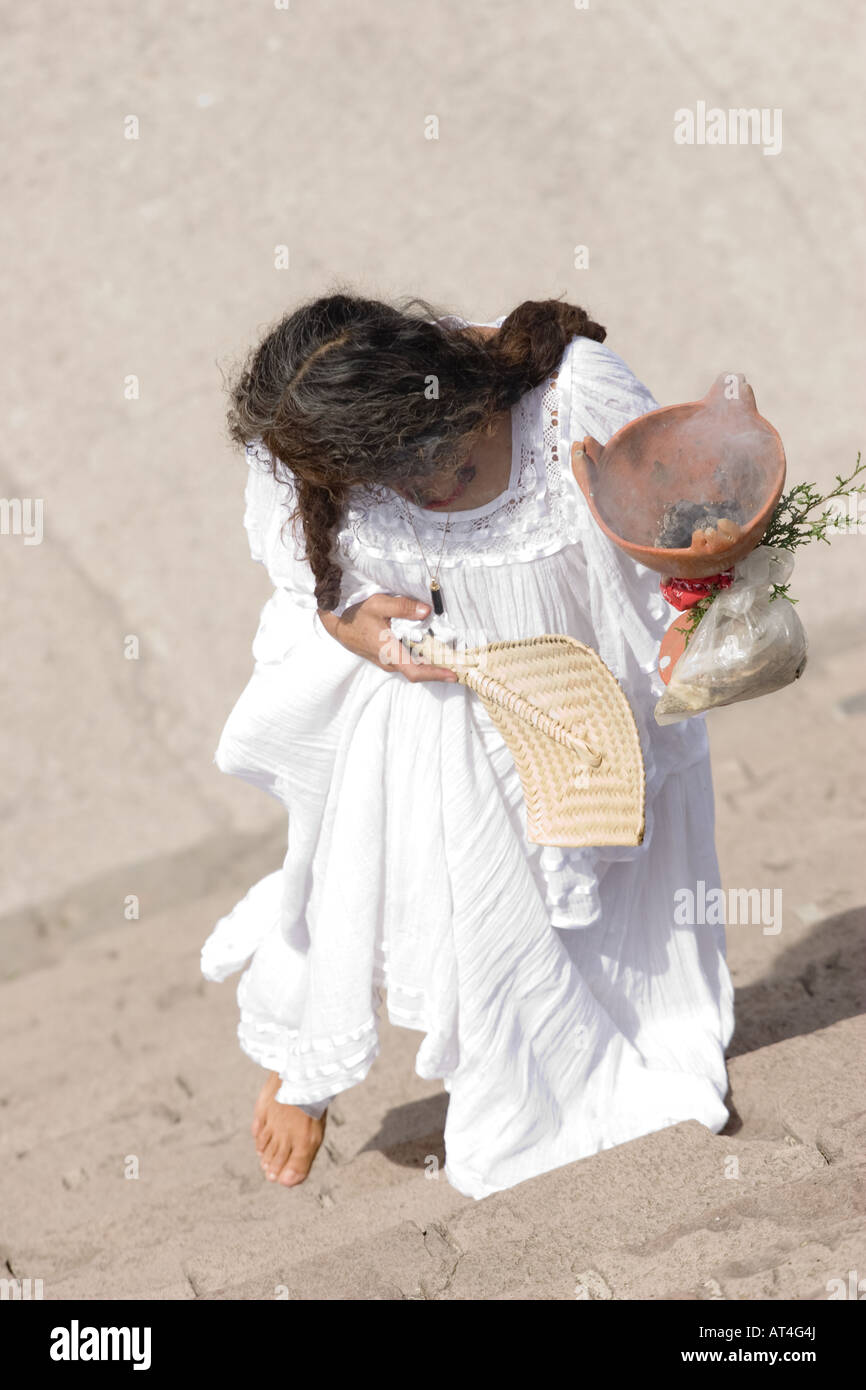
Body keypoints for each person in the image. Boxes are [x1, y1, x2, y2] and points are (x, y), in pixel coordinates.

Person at [200, 291, 734, 1201]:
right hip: (439, 711)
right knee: (397, 879)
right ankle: (311, 1061)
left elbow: (681, 534)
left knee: (628, 955)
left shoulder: (574, 395)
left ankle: (607, 1042)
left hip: (590, 705)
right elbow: (316, 598)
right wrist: (360, 632)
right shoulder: (306, 455)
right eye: (387, 482)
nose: (420, 493)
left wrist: (720, 570)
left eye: (435, 461)